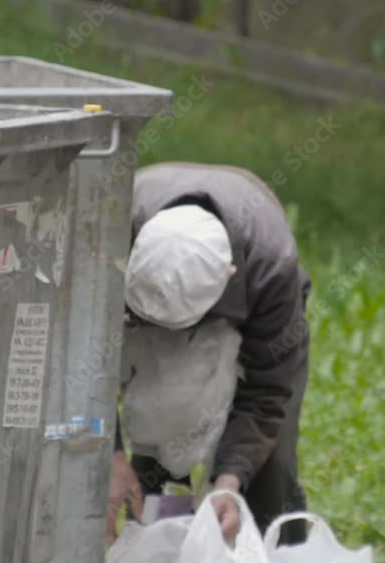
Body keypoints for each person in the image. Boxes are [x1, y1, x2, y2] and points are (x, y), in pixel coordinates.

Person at [107, 161, 312, 546]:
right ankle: (157, 539)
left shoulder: (270, 268)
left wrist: (229, 482)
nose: (173, 340)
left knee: (271, 471)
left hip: (254, 312)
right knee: (159, 440)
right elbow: (81, 368)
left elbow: (267, 391)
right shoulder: (109, 234)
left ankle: (275, 548)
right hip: (135, 321)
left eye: (181, 324)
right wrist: (111, 454)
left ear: (229, 273)